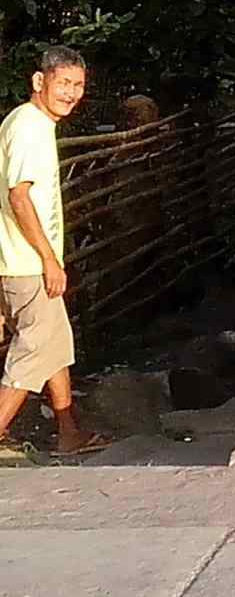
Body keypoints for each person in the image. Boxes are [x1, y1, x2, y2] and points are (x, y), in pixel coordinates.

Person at [0, 46, 108, 455]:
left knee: (54, 345)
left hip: (20, 258)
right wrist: (47, 258)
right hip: (26, 262)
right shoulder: (29, 127)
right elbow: (19, 197)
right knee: (32, 353)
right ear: (39, 82)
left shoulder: (32, 124)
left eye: (79, 85)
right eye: (64, 83)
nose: (71, 93)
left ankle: (68, 433)